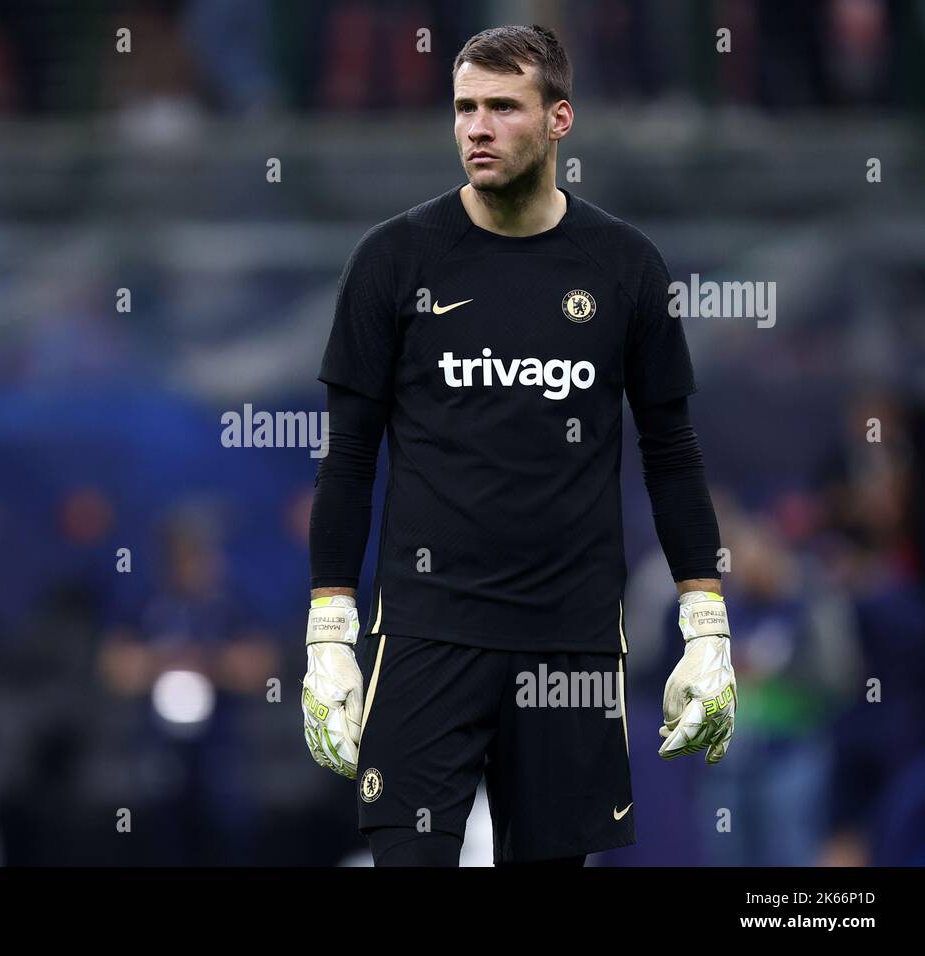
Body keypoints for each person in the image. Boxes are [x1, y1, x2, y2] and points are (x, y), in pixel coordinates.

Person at [300, 24, 736, 867]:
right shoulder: (393, 260)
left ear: (559, 119)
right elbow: (348, 457)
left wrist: (706, 624)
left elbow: (672, 452)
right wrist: (328, 632)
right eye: (465, 107)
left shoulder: (625, 266)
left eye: (503, 107)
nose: (477, 127)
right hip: (427, 636)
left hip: (568, 640)